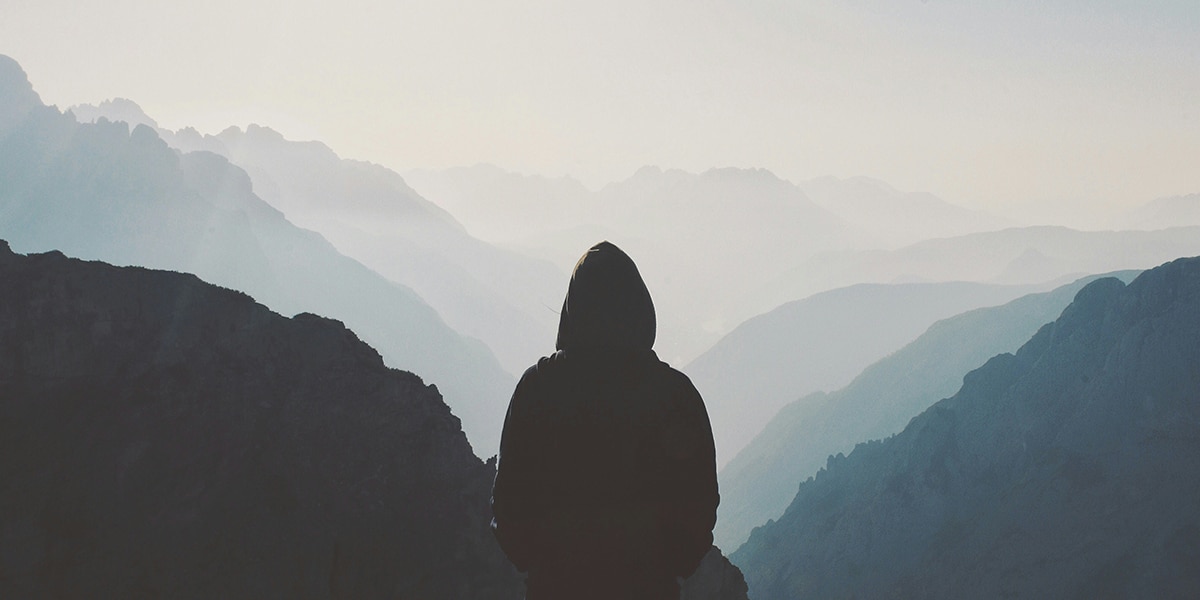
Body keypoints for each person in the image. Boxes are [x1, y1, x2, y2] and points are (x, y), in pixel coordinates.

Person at [491, 241, 719, 600]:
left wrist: (543, 562)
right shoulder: (676, 396)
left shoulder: (537, 390)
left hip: (556, 587)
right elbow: (699, 503)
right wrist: (666, 566)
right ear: (640, 309)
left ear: (573, 308)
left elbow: (509, 506)